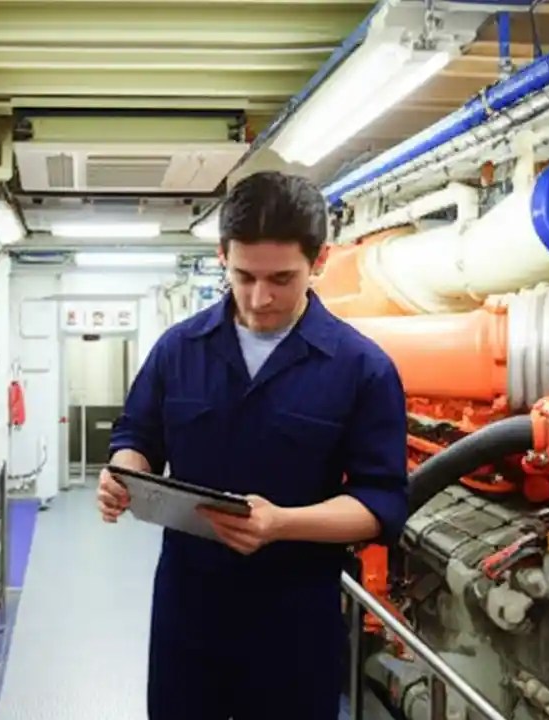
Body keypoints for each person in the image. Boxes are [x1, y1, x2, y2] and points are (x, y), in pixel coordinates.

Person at [97, 171, 409, 720]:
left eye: (281, 279)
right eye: (243, 275)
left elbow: (379, 504)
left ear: (320, 261)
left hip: (294, 621)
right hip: (188, 611)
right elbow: (136, 438)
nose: (259, 298)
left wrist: (281, 524)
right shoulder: (179, 349)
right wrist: (124, 474)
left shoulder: (362, 369)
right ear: (222, 254)